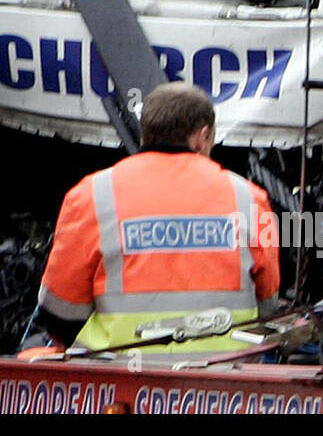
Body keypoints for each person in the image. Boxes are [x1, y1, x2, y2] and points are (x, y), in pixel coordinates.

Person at [23, 82, 280, 354]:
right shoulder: (251, 198)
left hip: (116, 382)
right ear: (202, 137)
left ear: (145, 133)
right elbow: (268, 302)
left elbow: (59, 312)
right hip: (224, 379)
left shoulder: (90, 195)